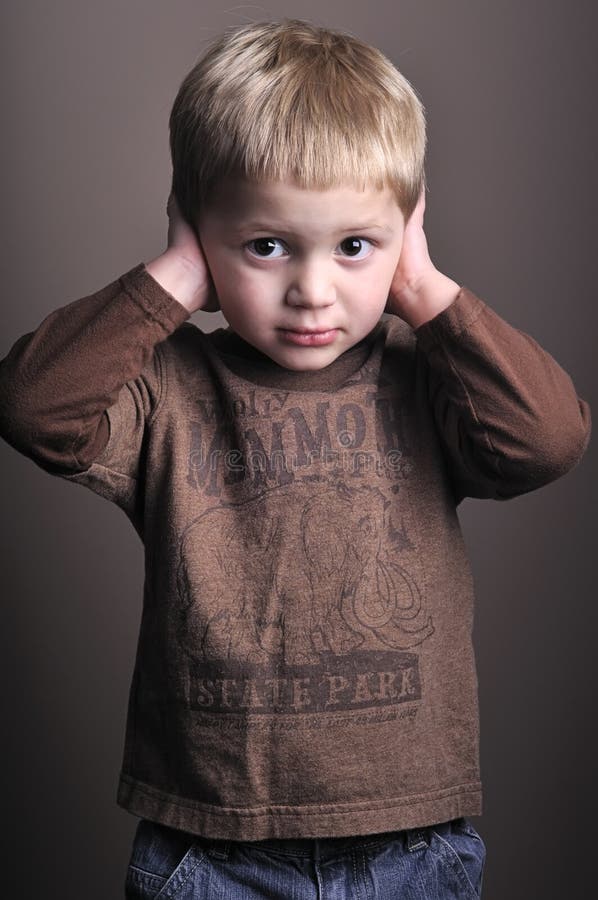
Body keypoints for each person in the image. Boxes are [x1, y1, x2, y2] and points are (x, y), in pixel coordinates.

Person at [0, 18, 591, 900]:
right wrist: (172, 279)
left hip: (414, 840)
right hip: (209, 847)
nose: (313, 290)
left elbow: (549, 439)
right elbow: (32, 406)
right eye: (266, 245)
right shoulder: (168, 387)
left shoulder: (426, 377)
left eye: (356, 246)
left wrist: (424, 286)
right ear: (202, 232)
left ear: (405, 229)